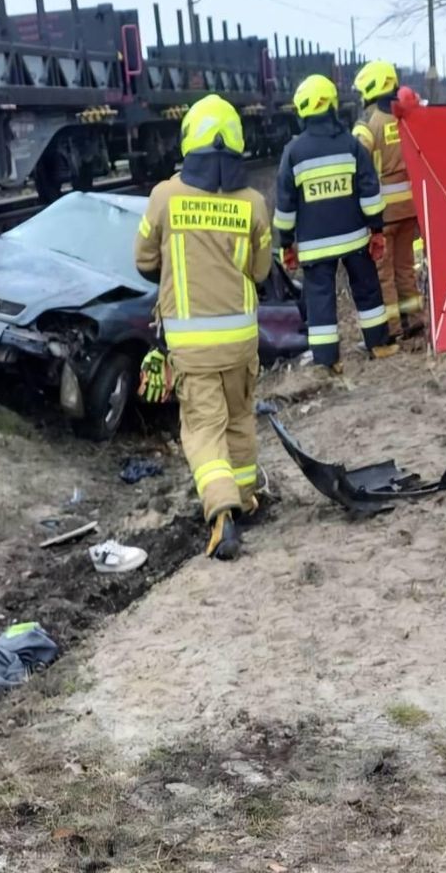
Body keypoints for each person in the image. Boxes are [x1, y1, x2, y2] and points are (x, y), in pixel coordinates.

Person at [134, 94, 272, 561]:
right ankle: (246, 499)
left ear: (188, 139)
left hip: (192, 347)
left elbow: (143, 261)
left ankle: (221, 514)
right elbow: (260, 271)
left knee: (202, 430)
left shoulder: (164, 197)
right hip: (241, 342)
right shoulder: (254, 203)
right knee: (239, 420)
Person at [274, 74, 395, 372]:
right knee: (367, 289)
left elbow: (285, 204)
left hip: (315, 245)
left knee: (320, 300)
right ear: (333, 105)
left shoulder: (293, 152)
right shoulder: (350, 145)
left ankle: (328, 360)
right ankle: (378, 344)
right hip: (355, 237)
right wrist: (376, 229)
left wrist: (286, 243)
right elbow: (369, 190)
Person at [353, 60, 425, 339]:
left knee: (384, 274)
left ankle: (392, 328)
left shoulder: (368, 124)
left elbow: (357, 165)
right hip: (409, 208)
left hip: (382, 213)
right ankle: (415, 320)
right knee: (405, 268)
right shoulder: (404, 115)